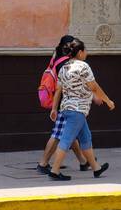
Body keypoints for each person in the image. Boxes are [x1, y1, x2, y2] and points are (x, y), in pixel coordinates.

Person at [47, 39, 115, 181]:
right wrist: (108, 101)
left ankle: (96, 168)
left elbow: (58, 90)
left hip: (67, 108)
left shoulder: (64, 67)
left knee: (85, 138)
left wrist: (54, 108)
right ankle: (54, 170)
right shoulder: (83, 66)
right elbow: (94, 87)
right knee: (65, 141)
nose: (87, 53)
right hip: (77, 110)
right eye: (85, 50)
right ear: (79, 52)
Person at [35, 35, 89, 175]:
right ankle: (43, 163)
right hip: (66, 104)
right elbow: (63, 85)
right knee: (58, 134)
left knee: (70, 133)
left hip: (66, 104)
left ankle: (83, 161)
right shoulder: (65, 63)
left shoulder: (56, 58)